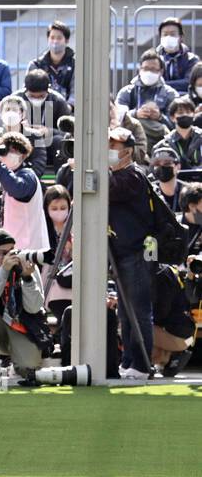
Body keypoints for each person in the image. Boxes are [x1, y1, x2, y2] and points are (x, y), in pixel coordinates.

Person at [108, 127, 156, 378]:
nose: (108, 151)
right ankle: (128, 361)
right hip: (122, 253)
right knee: (125, 312)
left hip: (137, 252)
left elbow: (107, 187)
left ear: (127, 152)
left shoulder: (133, 175)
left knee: (138, 310)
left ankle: (141, 364)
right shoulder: (121, 174)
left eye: (113, 147)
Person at [0, 228, 47, 380]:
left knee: (28, 370)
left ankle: (13, 365)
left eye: (12, 250)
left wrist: (27, 279)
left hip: (24, 326)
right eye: (2, 253)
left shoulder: (27, 266)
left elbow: (34, 307)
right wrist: (4, 271)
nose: (9, 256)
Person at [0, 132, 47, 251]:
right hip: (16, 248)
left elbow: (17, 188)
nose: (8, 154)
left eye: (14, 151)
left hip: (30, 251)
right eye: (6, 150)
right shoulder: (8, 175)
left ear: (23, 155)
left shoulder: (28, 175)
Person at [12, 69, 71, 168]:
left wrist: (49, 131)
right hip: (23, 142)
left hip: (48, 144)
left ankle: (61, 178)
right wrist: (20, 128)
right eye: (32, 96)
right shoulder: (15, 99)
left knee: (60, 141)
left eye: (41, 96)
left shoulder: (58, 101)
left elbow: (68, 131)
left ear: (48, 90)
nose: (36, 99)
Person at [116, 51, 179, 122]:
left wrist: (160, 117)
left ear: (161, 72)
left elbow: (176, 123)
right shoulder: (126, 92)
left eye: (153, 69)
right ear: (140, 70)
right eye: (145, 68)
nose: (149, 72)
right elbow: (118, 117)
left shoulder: (170, 94)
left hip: (160, 132)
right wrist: (135, 114)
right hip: (133, 131)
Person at [41, 184, 74, 319]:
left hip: (73, 281)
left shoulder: (76, 227)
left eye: (63, 208)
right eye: (54, 208)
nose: (59, 211)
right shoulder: (43, 230)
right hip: (52, 285)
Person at [28, 20, 76, 101]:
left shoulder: (74, 64)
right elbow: (27, 92)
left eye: (59, 38)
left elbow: (75, 93)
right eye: (52, 37)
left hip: (67, 111)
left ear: (67, 40)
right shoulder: (36, 65)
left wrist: (65, 108)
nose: (55, 41)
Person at [155, 16, 200, 92]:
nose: (168, 37)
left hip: (185, 100)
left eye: (172, 34)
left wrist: (161, 84)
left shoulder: (192, 59)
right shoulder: (154, 59)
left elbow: (189, 82)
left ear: (181, 37)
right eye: (165, 34)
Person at [162, 97, 202, 166]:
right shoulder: (166, 144)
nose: (185, 115)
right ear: (172, 118)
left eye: (188, 112)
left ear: (194, 115)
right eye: (180, 113)